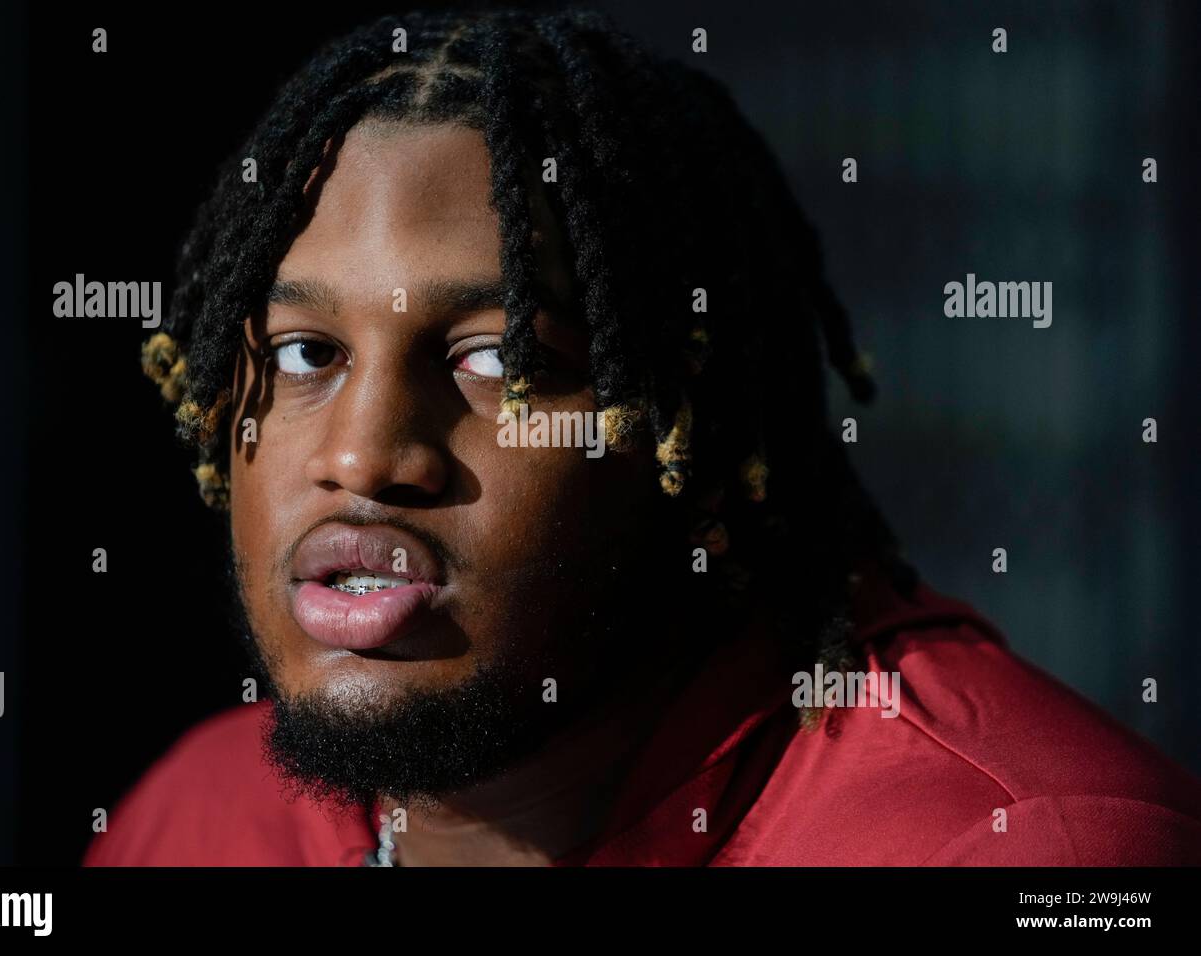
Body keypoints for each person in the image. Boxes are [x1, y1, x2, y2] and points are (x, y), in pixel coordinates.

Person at [84, 8, 1201, 866]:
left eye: (502, 360)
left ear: (692, 434)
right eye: (303, 354)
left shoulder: (1026, 847)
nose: (363, 455)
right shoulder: (196, 822)